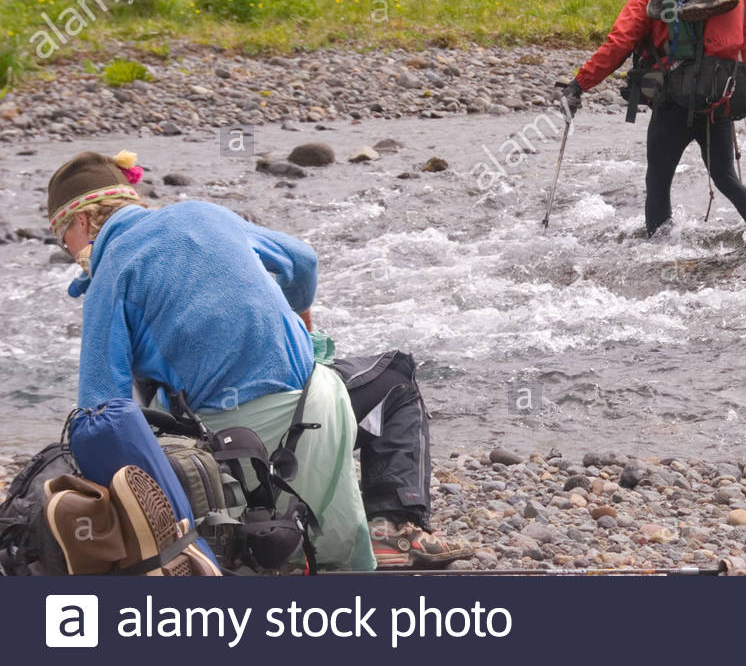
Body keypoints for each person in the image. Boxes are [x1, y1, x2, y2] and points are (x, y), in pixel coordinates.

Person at [47, 150, 456, 570]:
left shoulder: (109, 274)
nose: (69, 252)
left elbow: (102, 414)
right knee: (397, 377)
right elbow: (304, 261)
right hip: (314, 414)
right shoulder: (207, 215)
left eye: (64, 242)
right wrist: (300, 317)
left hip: (213, 452)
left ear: (81, 223)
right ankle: (392, 526)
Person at [562, 0, 746, 237]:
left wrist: (580, 83)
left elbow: (618, 43)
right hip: (716, 95)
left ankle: (659, 252)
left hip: (674, 103)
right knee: (725, 178)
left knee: (657, 181)